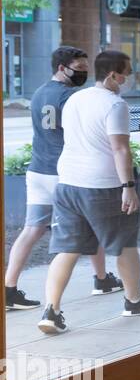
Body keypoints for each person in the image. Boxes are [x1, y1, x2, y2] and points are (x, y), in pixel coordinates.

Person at [38, 51, 140, 334]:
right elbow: (119, 148)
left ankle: (51, 310)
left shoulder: (75, 98)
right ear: (112, 75)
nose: (129, 78)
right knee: (125, 242)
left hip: (69, 182)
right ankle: (134, 300)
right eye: (127, 72)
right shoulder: (115, 104)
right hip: (103, 185)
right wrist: (129, 187)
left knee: (67, 248)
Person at [6, 47, 123, 312]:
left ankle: (8, 288)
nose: (83, 73)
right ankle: (98, 282)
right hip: (65, 174)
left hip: (37, 171)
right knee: (81, 231)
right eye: (79, 68)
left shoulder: (37, 94)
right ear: (62, 68)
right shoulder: (73, 97)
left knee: (31, 230)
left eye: (85, 69)